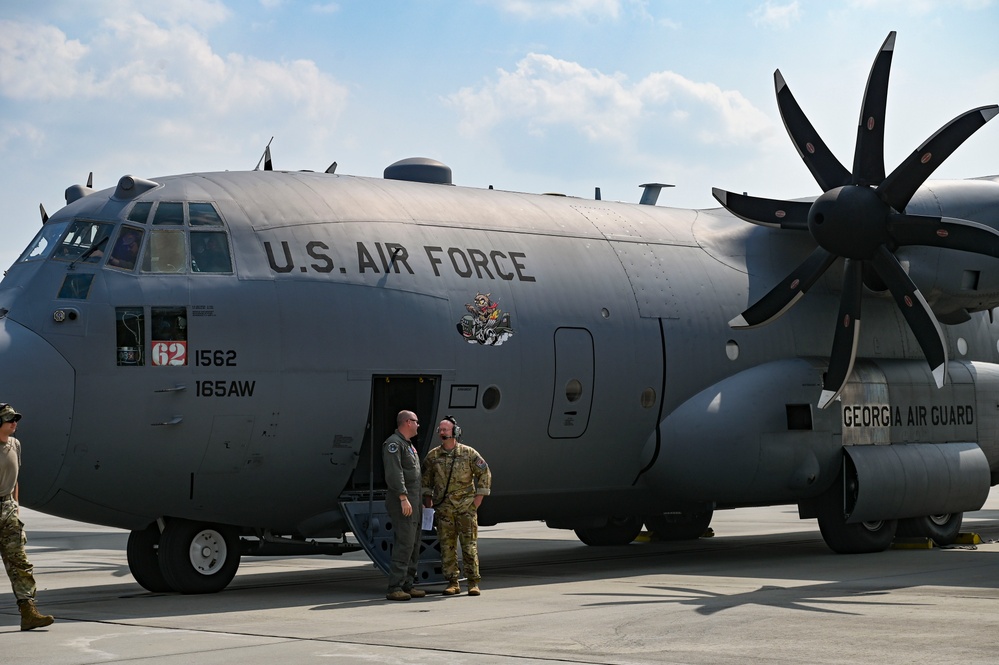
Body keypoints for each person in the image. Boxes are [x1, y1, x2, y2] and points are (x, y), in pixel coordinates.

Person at [422, 416, 492, 596]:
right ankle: (452, 582)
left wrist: (477, 500)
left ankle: (473, 582)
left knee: (469, 546)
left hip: (465, 509)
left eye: (446, 429)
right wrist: (428, 503)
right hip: (444, 509)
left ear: (456, 432)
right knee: (447, 546)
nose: (442, 432)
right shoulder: (433, 456)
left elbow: (484, 473)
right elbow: (425, 482)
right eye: (441, 429)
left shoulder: (468, 453)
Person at [0, 404, 55, 630]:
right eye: (9, 419)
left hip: (7, 510)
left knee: (20, 563)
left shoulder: (15, 445)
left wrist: (16, 506)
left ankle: (28, 613)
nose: (14, 423)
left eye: (15, 419)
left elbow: (16, 480)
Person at [381, 410, 426, 601]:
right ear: (407, 422)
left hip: (414, 501)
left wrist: (419, 501)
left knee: (414, 543)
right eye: (416, 422)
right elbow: (394, 473)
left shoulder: (408, 445)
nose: (418, 425)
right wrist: (402, 497)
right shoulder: (393, 444)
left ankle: (408, 583)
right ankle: (395, 587)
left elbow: (414, 477)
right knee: (404, 543)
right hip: (403, 501)